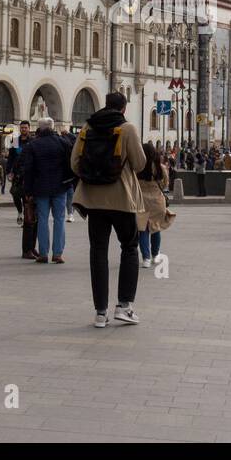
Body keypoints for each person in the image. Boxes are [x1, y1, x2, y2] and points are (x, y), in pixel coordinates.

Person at [71, 91, 146, 328]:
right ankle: (124, 306)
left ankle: (100, 313)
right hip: (122, 199)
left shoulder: (87, 129)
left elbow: (74, 163)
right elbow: (140, 164)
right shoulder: (127, 129)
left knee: (98, 253)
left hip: (94, 201)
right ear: (123, 108)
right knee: (129, 248)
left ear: (106, 106)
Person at [24, 118, 73, 263]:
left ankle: (43, 253)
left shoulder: (33, 145)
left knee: (43, 220)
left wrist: (28, 189)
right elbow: (70, 163)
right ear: (52, 127)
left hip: (41, 188)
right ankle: (57, 253)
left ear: (39, 128)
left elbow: (29, 170)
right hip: (60, 186)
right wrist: (69, 181)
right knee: (59, 219)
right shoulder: (63, 143)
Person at [138, 143, 174, 268]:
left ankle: (145, 258)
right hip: (157, 201)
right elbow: (165, 184)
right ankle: (155, 254)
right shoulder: (160, 167)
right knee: (156, 227)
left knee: (143, 229)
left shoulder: (137, 167)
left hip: (141, 201)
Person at [60, 124, 78, 223]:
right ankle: (69, 213)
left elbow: (75, 143)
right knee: (66, 194)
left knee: (70, 193)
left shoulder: (70, 142)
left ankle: (70, 213)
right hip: (64, 172)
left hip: (70, 173)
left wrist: (69, 134)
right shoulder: (60, 140)